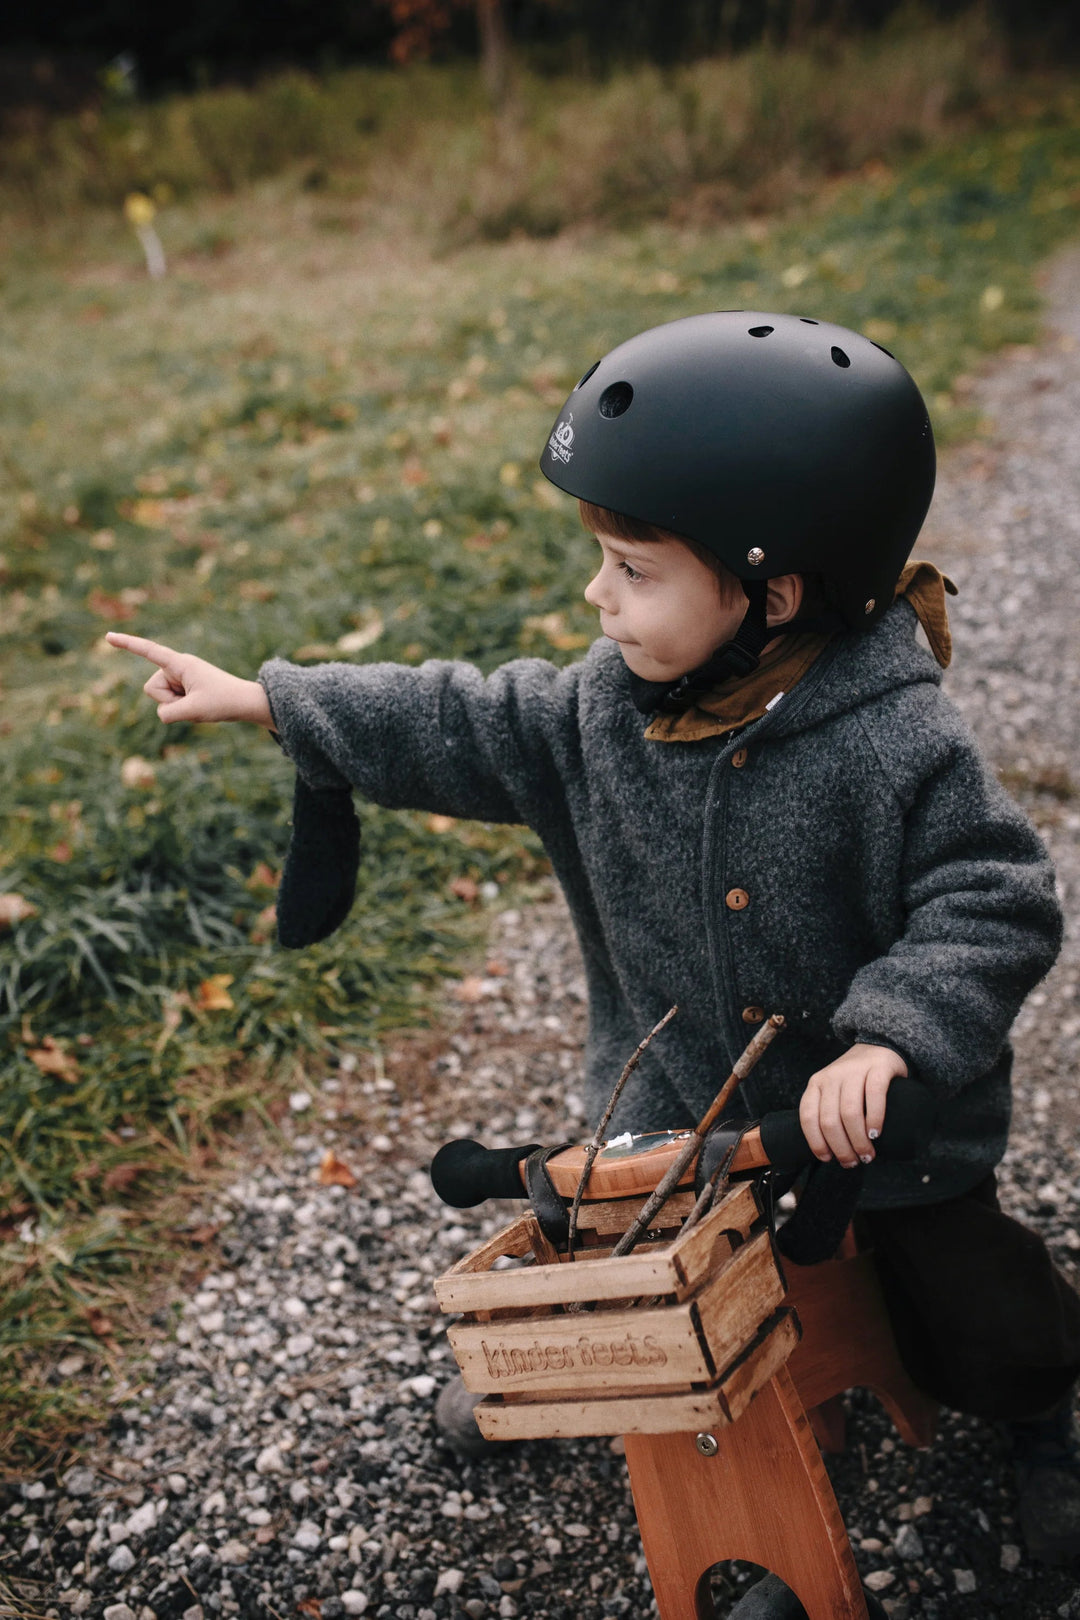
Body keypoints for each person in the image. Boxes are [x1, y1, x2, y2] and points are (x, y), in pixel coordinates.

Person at [107, 312, 1080, 1582]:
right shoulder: (598, 713)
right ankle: (559, 1389)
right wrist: (270, 698)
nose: (594, 595)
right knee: (611, 1293)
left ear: (771, 592)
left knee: (984, 1327)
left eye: (633, 569)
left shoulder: (895, 743)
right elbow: (459, 718)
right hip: (681, 1114)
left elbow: (995, 895)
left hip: (881, 1140)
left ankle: (1043, 1423)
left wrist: (894, 1036)